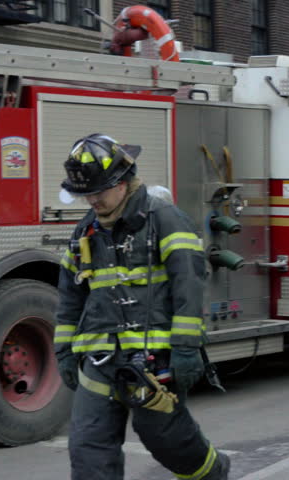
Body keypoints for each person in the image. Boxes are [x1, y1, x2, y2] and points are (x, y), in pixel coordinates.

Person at [54, 133, 230, 480]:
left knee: (165, 439)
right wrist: (63, 350)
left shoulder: (164, 219)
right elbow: (70, 296)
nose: (92, 199)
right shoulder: (84, 232)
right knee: (88, 448)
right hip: (100, 359)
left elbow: (188, 286)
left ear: (122, 182)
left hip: (155, 360)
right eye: (85, 193)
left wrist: (185, 348)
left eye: (98, 191)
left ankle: (213, 473)